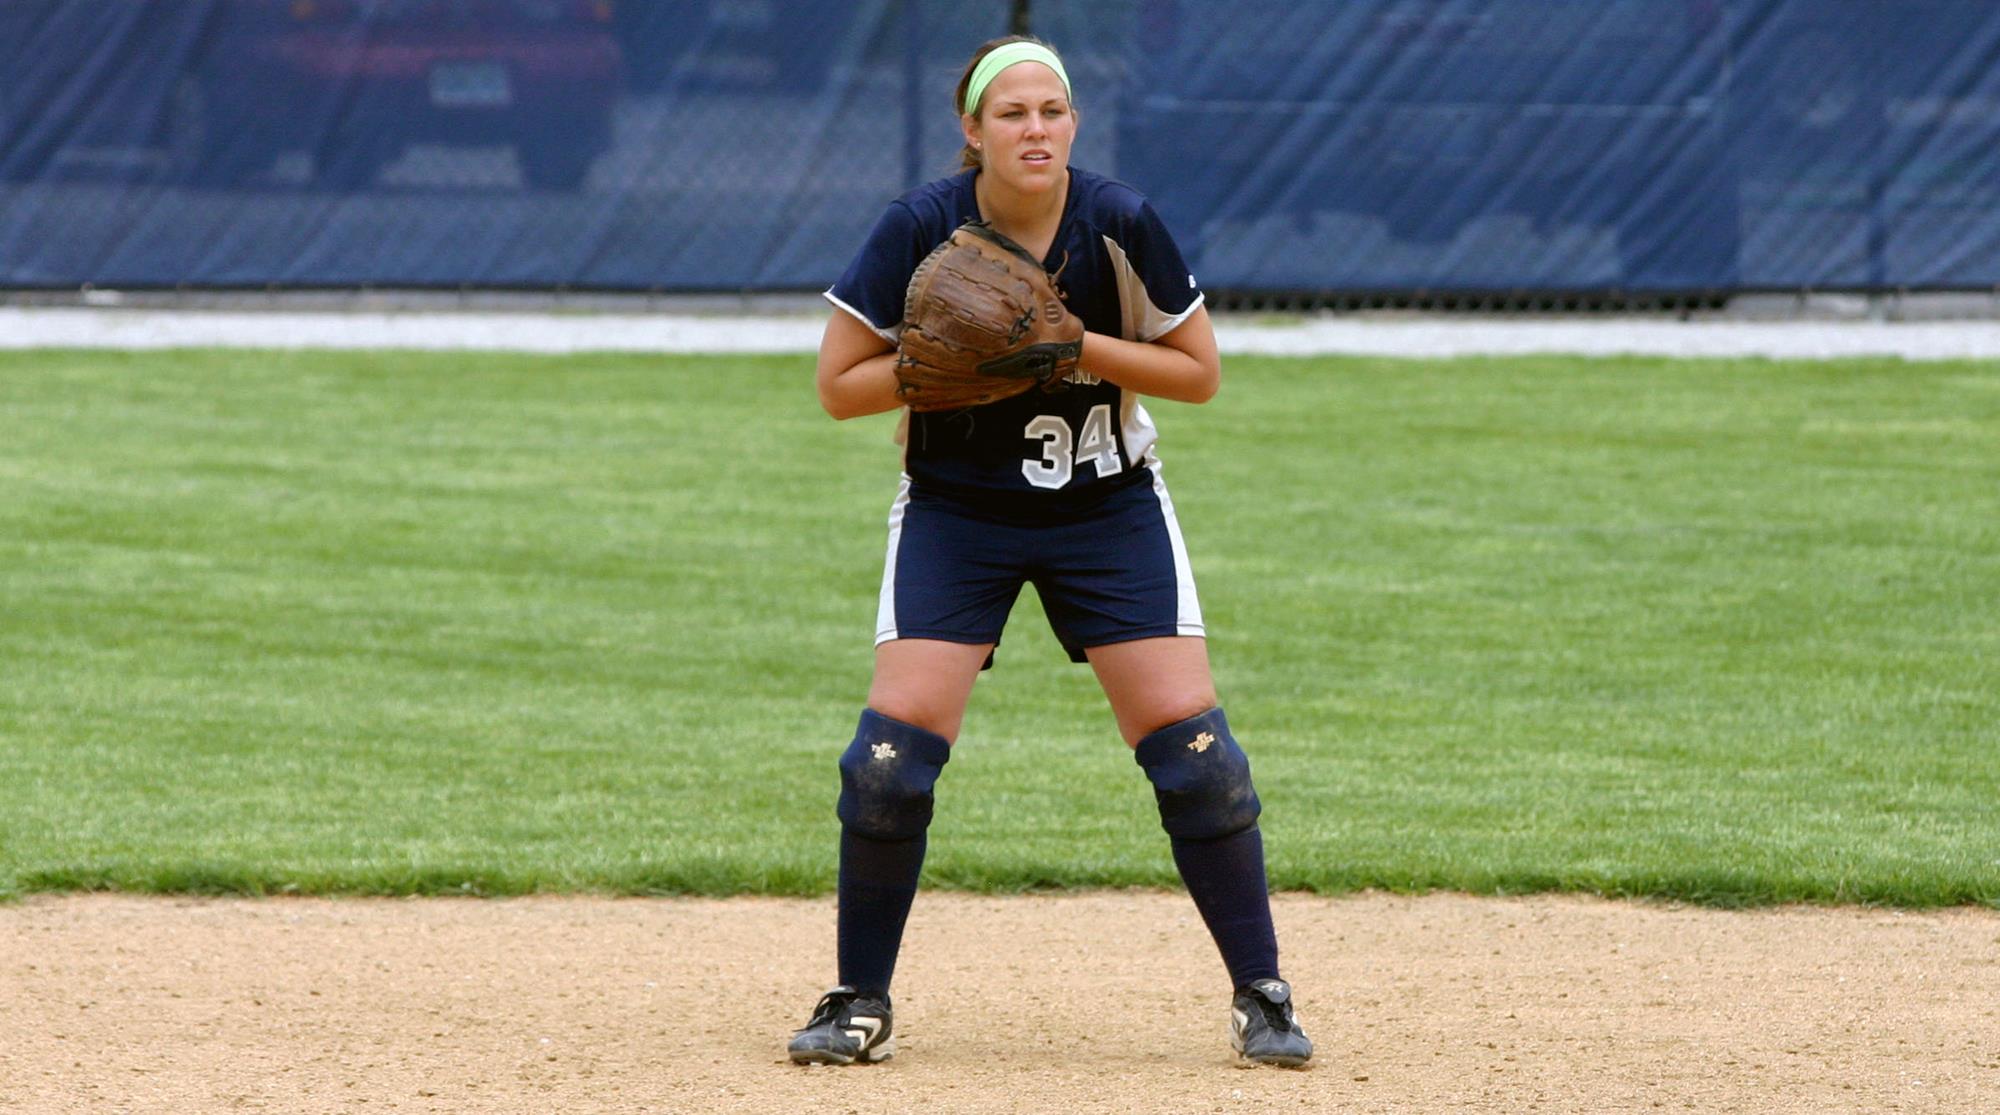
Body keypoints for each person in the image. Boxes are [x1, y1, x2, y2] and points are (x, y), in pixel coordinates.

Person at [788, 35, 1311, 1069]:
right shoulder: (920, 226)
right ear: (972, 130)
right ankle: (858, 997)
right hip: (956, 510)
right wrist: (938, 361)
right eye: (1012, 112)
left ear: (1072, 123)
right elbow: (838, 386)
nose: (1035, 129)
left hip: (1106, 507)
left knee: (1198, 764)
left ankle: (1262, 990)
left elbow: (1196, 373)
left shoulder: (1117, 222)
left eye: (1052, 110)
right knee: (885, 766)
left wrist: (1063, 346)